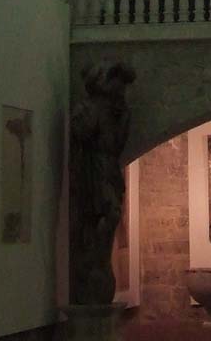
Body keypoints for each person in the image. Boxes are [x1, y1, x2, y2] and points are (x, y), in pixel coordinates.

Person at [69, 61, 136, 304]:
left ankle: (99, 258)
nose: (121, 92)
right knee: (105, 214)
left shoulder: (116, 112)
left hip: (108, 167)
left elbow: (117, 144)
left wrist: (123, 117)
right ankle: (93, 259)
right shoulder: (90, 108)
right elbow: (82, 132)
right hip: (94, 168)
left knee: (111, 214)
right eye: (117, 86)